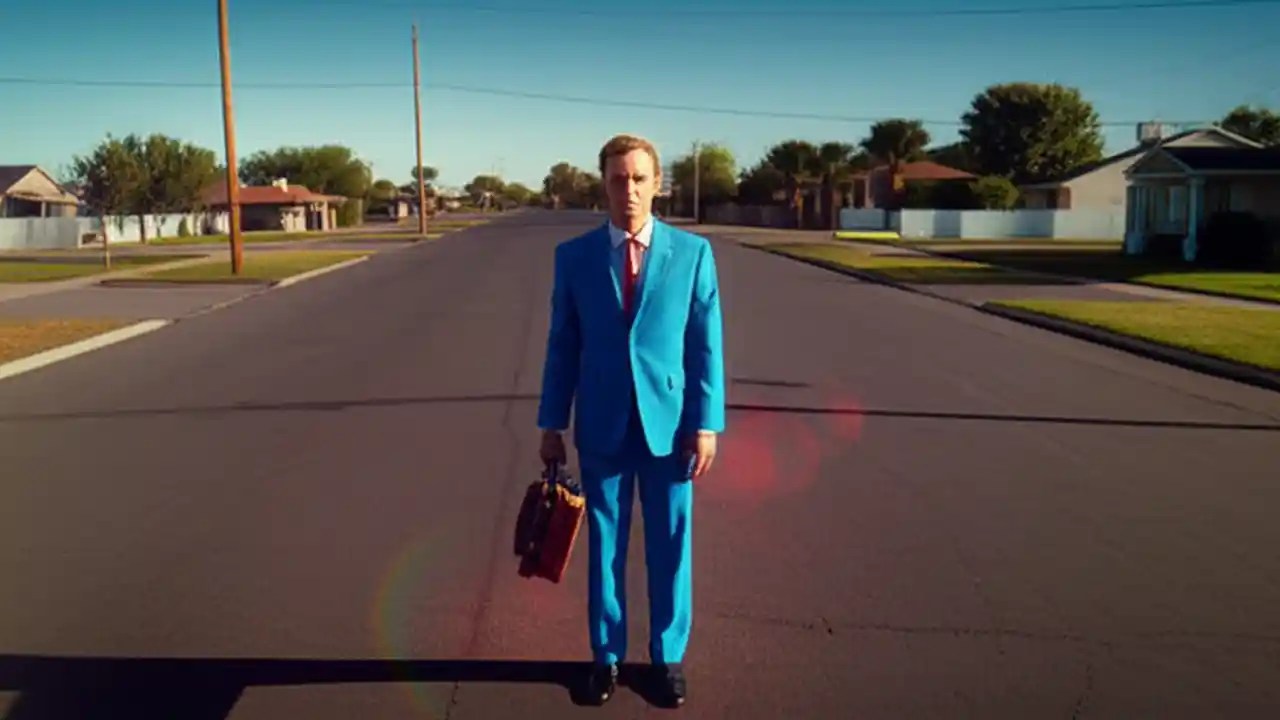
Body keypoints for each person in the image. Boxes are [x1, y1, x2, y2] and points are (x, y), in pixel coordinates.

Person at [536, 133, 725, 708]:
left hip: (671, 428)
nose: (630, 190)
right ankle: (606, 657)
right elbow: (562, 344)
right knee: (604, 545)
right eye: (618, 179)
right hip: (601, 424)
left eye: (640, 179)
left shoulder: (692, 254)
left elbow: (704, 344)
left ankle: (667, 658)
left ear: (657, 183)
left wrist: (707, 423)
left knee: (671, 543)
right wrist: (551, 423)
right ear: (604, 185)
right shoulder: (574, 258)